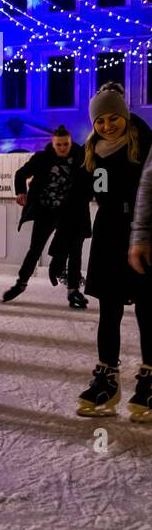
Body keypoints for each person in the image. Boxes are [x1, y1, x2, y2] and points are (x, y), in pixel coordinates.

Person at [74, 83, 152, 417]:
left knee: (147, 310)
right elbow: (77, 200)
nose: (107, 125)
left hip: (140, 233)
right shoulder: (90, 152)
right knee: (109, 312)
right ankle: (107, 377)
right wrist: (65, 246)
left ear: (125, 116)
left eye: (113, 118)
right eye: (100, 120)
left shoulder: (144, 143)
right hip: (107, 235)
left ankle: (149, 378)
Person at [3, 125, 90, 309]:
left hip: (71, 213)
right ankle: (21, 282)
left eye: (65, 144)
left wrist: (96, 192)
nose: (62, 148)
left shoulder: (81, 157)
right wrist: (20, 192)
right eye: (58, 145)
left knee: (75, 251)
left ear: (70, 141)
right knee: (35, 249)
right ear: (53, 143)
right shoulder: (42, 159)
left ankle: (73, 290)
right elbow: (21, 174)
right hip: (46, 211)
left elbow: (92, 177)